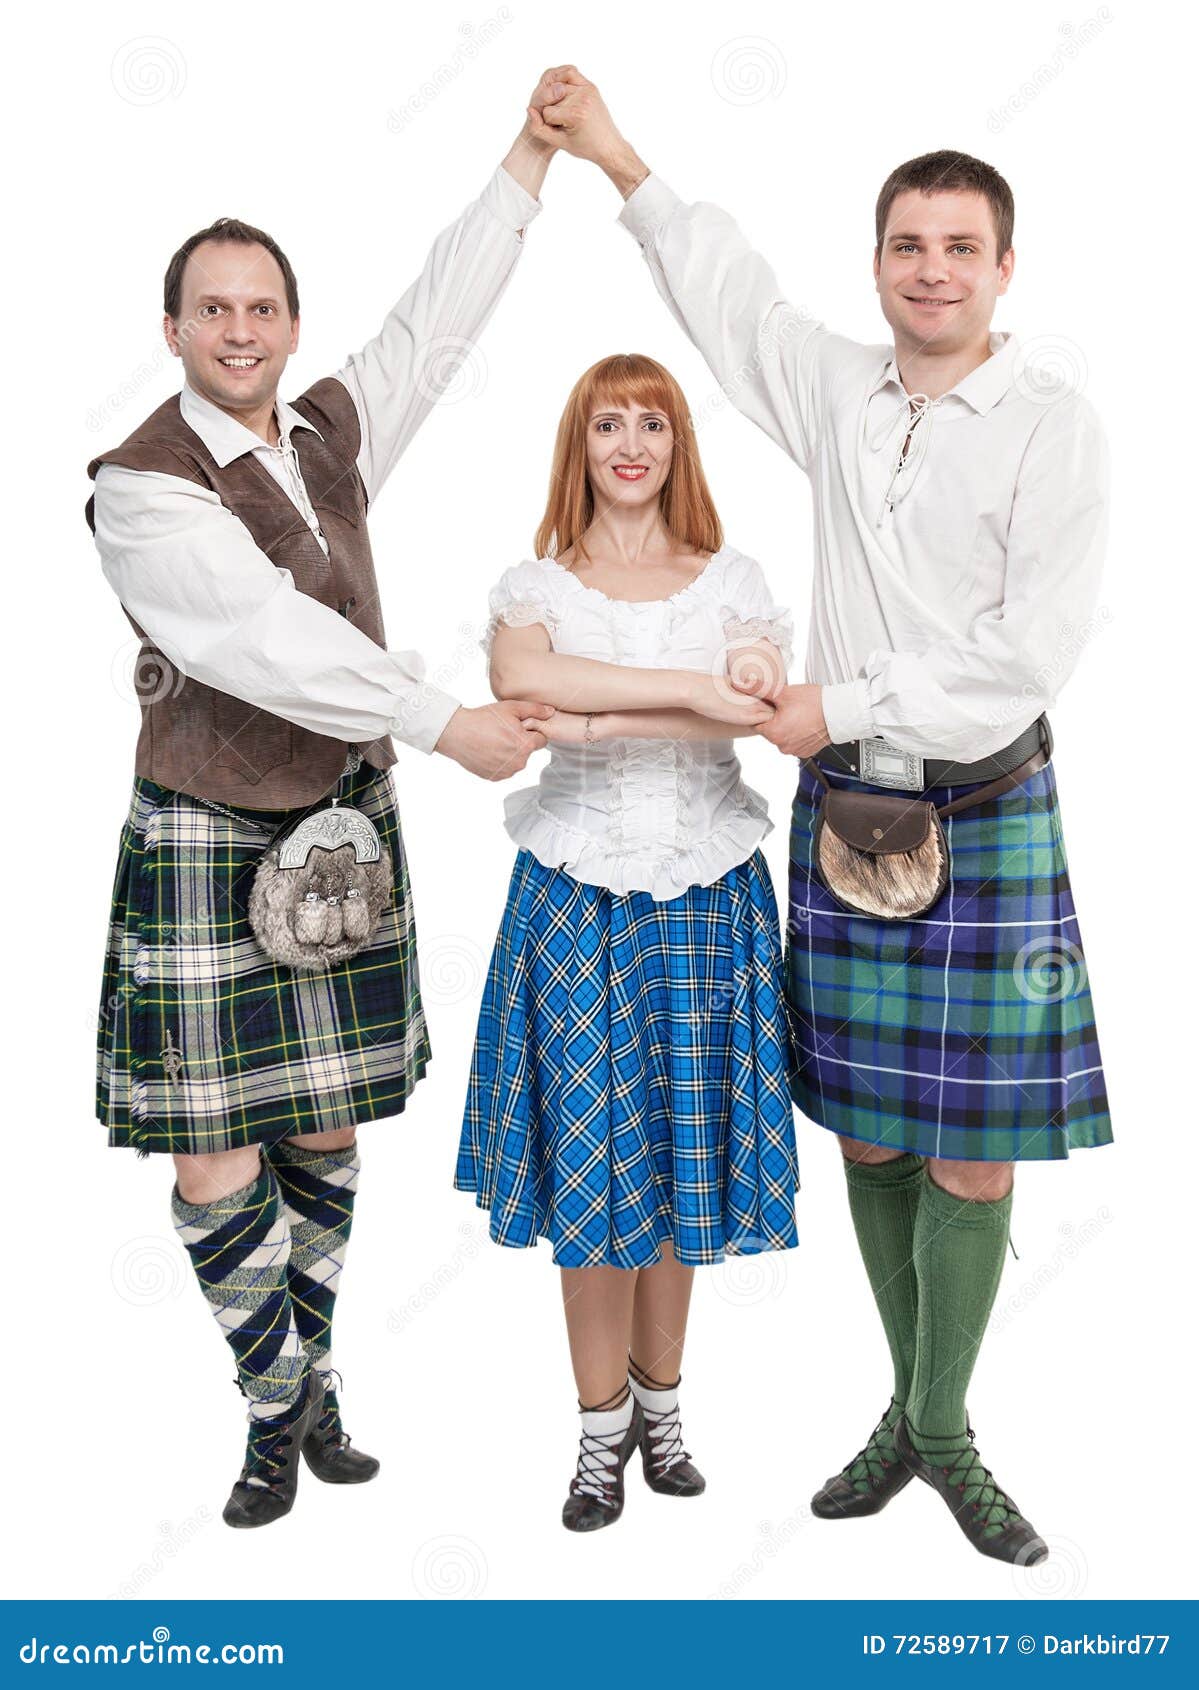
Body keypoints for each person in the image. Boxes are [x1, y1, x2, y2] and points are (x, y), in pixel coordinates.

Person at [530, 67, 1112, 1566]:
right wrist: (613, 156)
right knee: (865, 1135)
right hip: (847, 811)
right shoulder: (841, 389)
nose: (931, 270)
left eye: (959, 248)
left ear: (1003, 268)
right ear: (876, 264)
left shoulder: (1050, 424)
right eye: (907, 245)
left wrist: (833, 700)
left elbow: (1021, 658)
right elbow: (725, 291)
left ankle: (937, 1431)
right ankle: (909, 1416)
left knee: (971, 1153)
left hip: (981, 802)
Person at [84, 81, 564, 1529]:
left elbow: (432, 324)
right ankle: (274, 1404)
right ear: (171, 328)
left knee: (324, 1128)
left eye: (262, 309)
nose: (238, 331)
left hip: (335, 830)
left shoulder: (322, 438)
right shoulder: (141, 486)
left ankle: (312, 1381)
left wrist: (527, 159)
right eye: (212, 310)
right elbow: (264, 638)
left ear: (290, 325)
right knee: (212, 1150)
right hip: (209, 829)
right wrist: (444, 719)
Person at [455, 352, 799, 1532]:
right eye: (608, 424)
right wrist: (685, 693)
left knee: (678, 1158)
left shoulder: (732, 578)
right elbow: (520, 678)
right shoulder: (535, 583)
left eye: (651, 422)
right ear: (580, 445)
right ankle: (597, 1437)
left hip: (706, 894)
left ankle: (663, 1413)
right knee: (593, 1174)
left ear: (676, 444)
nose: (630, 445)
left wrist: (602, 712)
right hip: (572, 894)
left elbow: (752, 698)